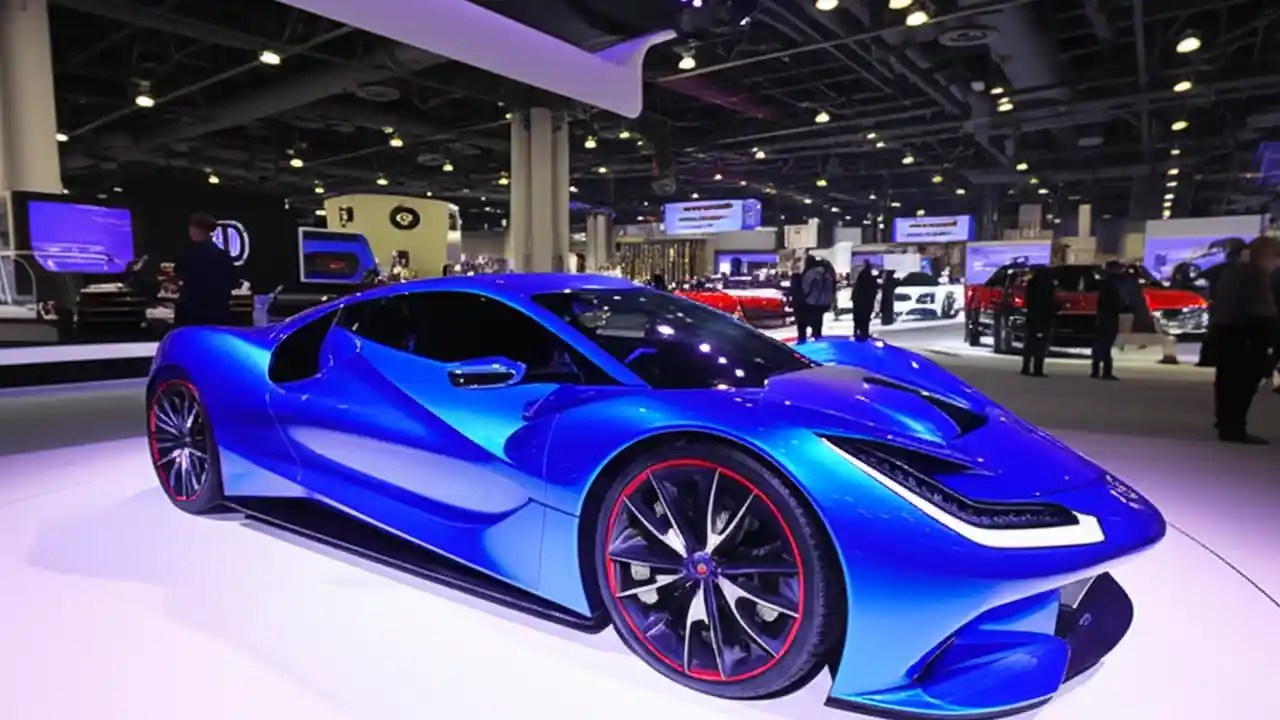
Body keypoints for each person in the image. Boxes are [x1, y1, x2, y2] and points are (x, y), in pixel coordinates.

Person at [1208, 235, 1278, 444]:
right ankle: (1234, 427)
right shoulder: (1255, 277)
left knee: (1227, 381)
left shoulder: (1233, 273)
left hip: (1228, 333)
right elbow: (1261, 310)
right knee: (1242, 383)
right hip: (1246, 335)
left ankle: (1226, 423)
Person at [174, 213, 238, 327]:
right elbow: (233, 281)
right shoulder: (223, 255)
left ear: (196, 229)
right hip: (218, 313)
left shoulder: (188, 255)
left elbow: (179, 273)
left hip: (193, 313)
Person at [1021, 267, 1058, 377]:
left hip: (1032, 316)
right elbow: (1051, 302)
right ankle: (1038, 368)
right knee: (1042, 344)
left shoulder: (1031, 284)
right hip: (1045, 318)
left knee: (1030, 342)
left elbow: (1028, 300)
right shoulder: (1049, 285)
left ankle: (1026, 366)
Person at [1091, 262, 1124, 380]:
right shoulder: (1112, 284)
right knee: (1105, 344)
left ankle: (1095, 370)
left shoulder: (1105, 282)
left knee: (1101, 343)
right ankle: (1106, 371)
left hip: (1104, 316)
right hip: (1108, 317)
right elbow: (1115, 302)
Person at [798, 255, 834, 342]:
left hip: (811, 301)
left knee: (808, 319)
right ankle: (817, 335)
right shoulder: (826, 274)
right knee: (818, 319)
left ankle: (810, 336)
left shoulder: (810, 273)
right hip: (823, 302)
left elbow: (805, 287)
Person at [852, 260, 879, 340]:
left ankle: (857, 331)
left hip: (860, 301)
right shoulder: (870, 279)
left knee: (859, 317)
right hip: (866, 301)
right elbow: (874, 289)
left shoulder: (861, 278)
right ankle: (864, 332)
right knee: (865, 317)